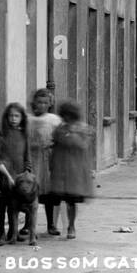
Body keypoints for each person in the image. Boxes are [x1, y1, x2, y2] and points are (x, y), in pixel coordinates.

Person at [47, 101, 96, 239]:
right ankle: (55, 225)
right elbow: (54, 143)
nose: (66, 119)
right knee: (58, 199)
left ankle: (71, 226)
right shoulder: (60, 129)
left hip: (74, 170)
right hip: (60, 169)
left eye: (69, 116)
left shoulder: (82, 129)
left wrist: (71, 135)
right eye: (64, 116)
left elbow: (83, 145)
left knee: (71, 201)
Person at [27, 89, 61, 236]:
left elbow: (59, 137)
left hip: (49, 158)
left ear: (50, 104)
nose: (42, 105)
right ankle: (28, 224)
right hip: (32, 157)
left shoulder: (54, 120)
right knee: (30, 190)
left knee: (49, 193)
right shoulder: (28, 119)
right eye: (39, 102)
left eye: (45, 103)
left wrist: (52, 145)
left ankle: (51, 224)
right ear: (34, 102)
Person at [0, 102, 31, 242]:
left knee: (13, 204)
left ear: (22, 118)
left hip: (18, 173)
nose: (13, 119)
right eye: (11, 116)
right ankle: (0, 230)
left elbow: (27, 154)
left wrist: (28, 170)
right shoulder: (1, 134)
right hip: (3, 173)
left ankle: (13, 231)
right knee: (1, 203)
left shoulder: (24, 134)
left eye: (17, 116)